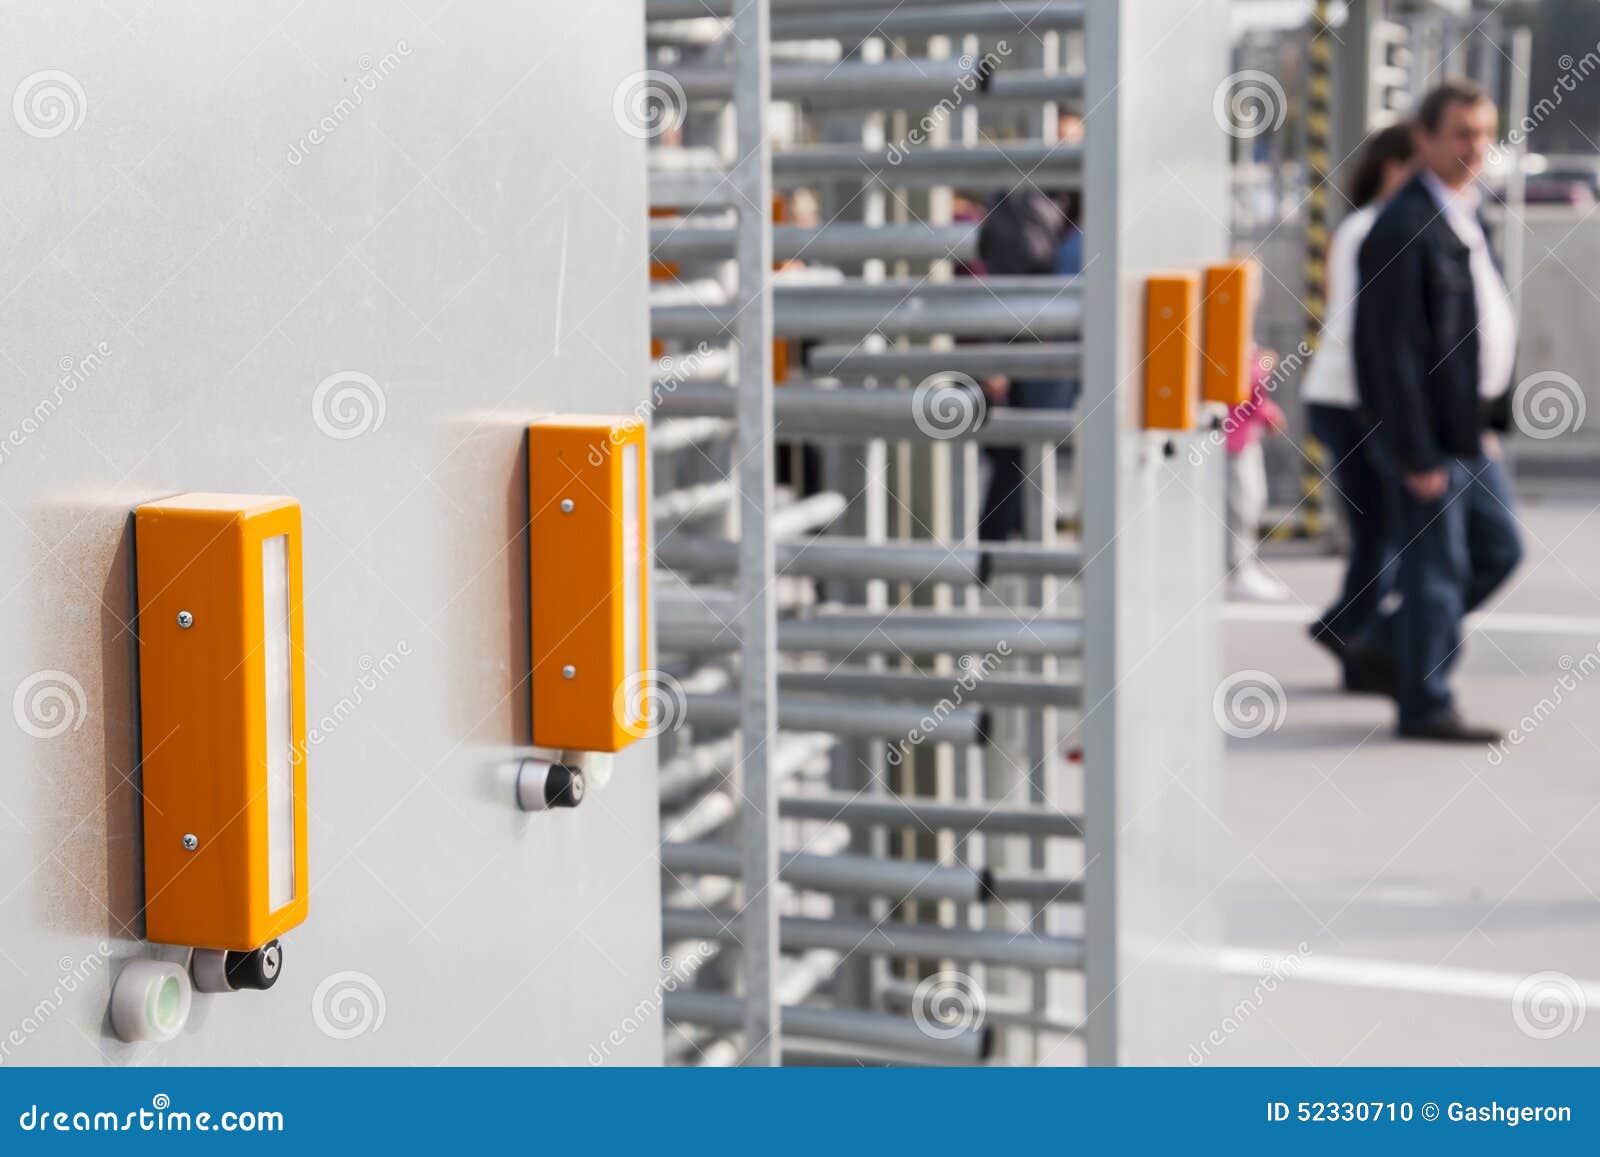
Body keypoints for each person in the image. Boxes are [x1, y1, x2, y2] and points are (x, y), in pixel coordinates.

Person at [1354, 79, 1523, 743]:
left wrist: (1488, 420)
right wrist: (1416, 452)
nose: (1475, 147)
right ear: (1423, 140)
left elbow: (1480, 325)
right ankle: (1425, 702)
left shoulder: (1464, 212)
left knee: (1499, 549)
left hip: (1467, 429)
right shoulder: (1401, 227)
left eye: (1484, 134)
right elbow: (1390, 354)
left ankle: (1385, 645)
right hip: (1428, 438)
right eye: (1461, 134)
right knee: (1437, 569)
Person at [1301, 122, 1417, 693]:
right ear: (1393, 168)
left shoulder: (1363, 225)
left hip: (1349, 396)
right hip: (1353, 399)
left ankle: (1354, 640)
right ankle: (1348, 631)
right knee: (1382, 530)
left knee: (1381, 530)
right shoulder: (1374, 228)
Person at [1225, 346, 1289, 601]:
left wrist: (1268, 413)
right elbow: (1240, 378)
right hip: (1231, 439)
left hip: (1244, 437)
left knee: (1251, 504)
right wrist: (1264, 363)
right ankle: (1237, 573)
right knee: (1240, 508)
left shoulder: (1244, 339)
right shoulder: (1227, 331)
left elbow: (1253, 394)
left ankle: (1244, 569)